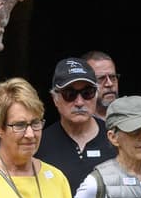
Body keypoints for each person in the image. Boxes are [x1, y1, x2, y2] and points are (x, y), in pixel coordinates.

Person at [36, 56, 112, 190]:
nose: (79, 102)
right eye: (70, 94)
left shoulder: (116, 138)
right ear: (55, 99)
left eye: (87, 93)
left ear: (96, 95)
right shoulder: (39, 143)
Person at [81, 49, 121, 121]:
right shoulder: (79, 123)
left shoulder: (133, 114)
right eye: (101, 78)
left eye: (113, 77)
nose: (109, 84)